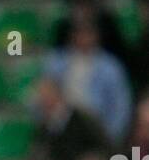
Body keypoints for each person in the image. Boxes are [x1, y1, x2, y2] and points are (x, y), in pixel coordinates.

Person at [42, 18, 132, 146]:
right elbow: (44, 95)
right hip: (62, 125)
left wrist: (111, 137)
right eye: (79, 34)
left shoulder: (110, 67)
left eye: (88, 34)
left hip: (95, 127)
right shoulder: (56, 62)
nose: (83, 38)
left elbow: (121, 106)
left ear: (96, 36)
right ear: (72, 36)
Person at [31, 74, 110, 160]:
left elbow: (102, 145)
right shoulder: (44, 128)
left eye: (46, 95)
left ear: (57, 93)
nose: (43, 100)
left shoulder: (81, 118)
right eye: (41, 96)